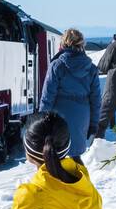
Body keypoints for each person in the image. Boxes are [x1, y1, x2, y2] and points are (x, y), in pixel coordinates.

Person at [39, 28, 102, 157]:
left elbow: (48, 95)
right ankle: (77, 176)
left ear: (64, 44)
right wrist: (94, 124)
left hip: (59, 116)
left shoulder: (57, 65)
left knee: (58, 155)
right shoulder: (91, 69)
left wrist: (42, 120)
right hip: (82, 116)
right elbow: (96, 100)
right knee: (75, 155)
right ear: (82, 44)